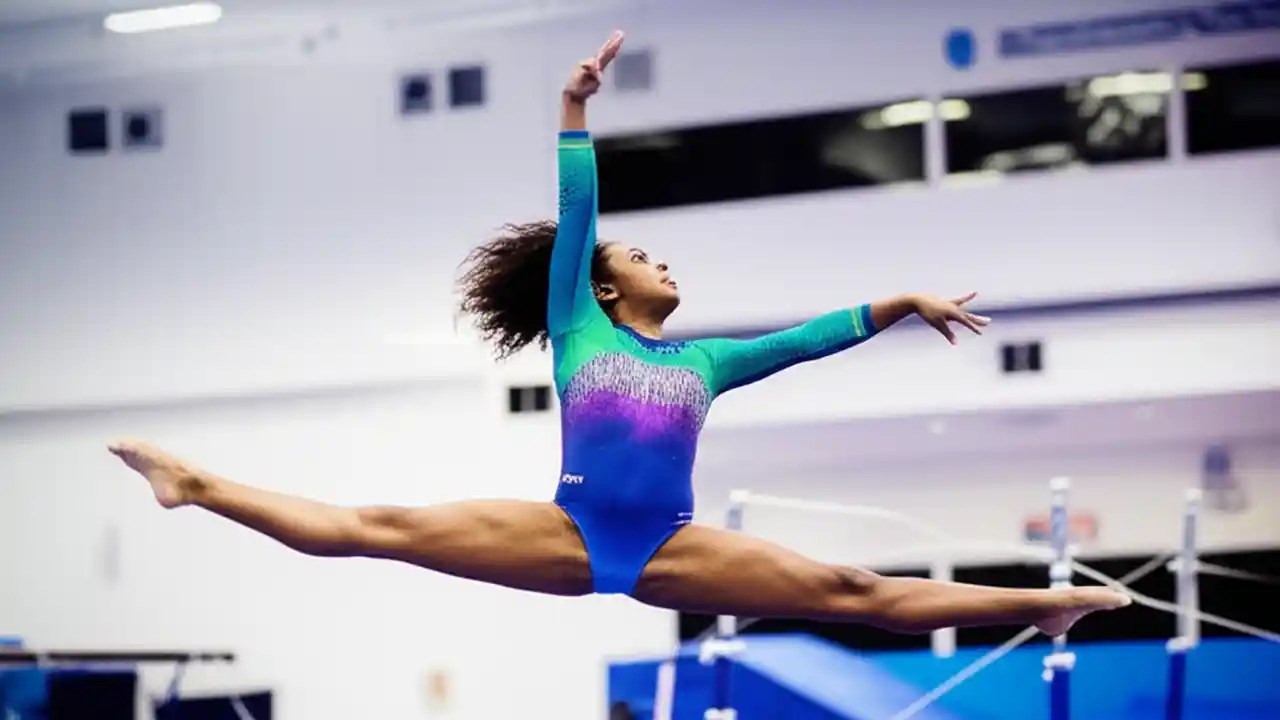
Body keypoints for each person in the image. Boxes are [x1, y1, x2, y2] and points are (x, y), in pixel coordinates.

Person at [109, 30, 1128, 637]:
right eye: (646, 258)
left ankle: (1035, 607)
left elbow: (809, 337)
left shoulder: (705, 362)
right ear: (601, 280)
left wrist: (901, 302)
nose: (664, 265)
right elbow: (576, 205)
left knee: (848, 589)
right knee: (374, 530)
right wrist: (569, 105)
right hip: (563, 531)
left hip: (668, 551)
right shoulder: (575, 322)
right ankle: (196, 485)